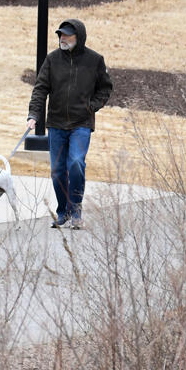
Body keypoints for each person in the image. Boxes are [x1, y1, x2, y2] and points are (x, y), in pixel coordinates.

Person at [26, 19, 112, 229]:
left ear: (78, 37)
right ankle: (63, 211)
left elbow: (105, 88)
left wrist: (91, 106)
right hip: (56, 123)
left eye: (66, 35)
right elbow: (40, 88)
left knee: (75, 163)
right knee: (57, 171)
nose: (62, 38)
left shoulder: (95, 60)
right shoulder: (52, 59)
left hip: (81, 123)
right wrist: (34, 114)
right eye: (60, 35)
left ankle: (76, 210)